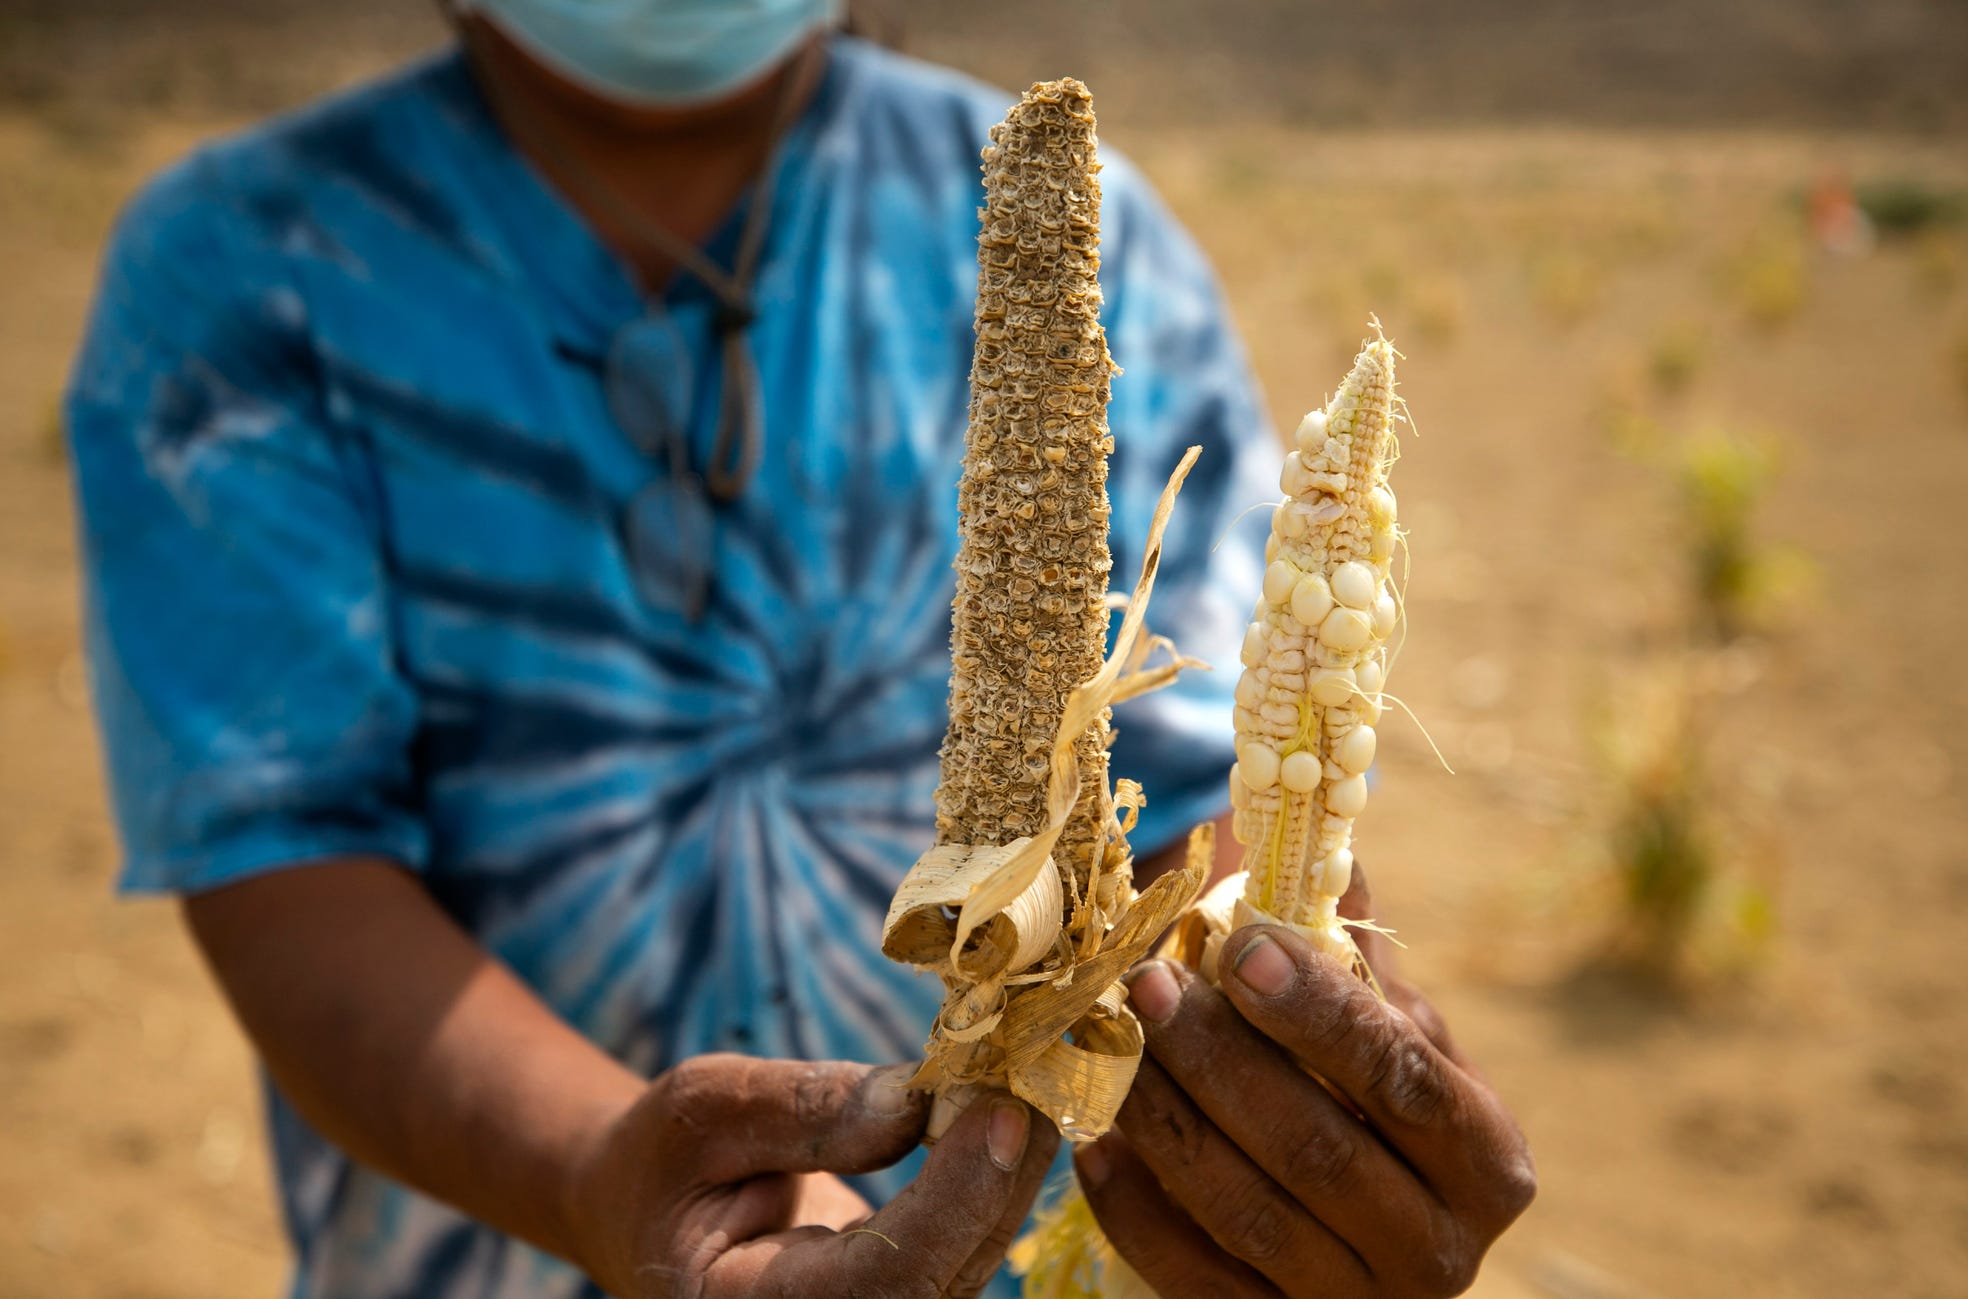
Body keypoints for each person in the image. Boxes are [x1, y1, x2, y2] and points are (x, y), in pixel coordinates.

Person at [64, 1, 1534, 1295]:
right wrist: (595, 1174)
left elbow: (1187, 807)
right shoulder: (243, 275)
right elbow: (291, 863)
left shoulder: (1104, 237)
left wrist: (1286, 1095)